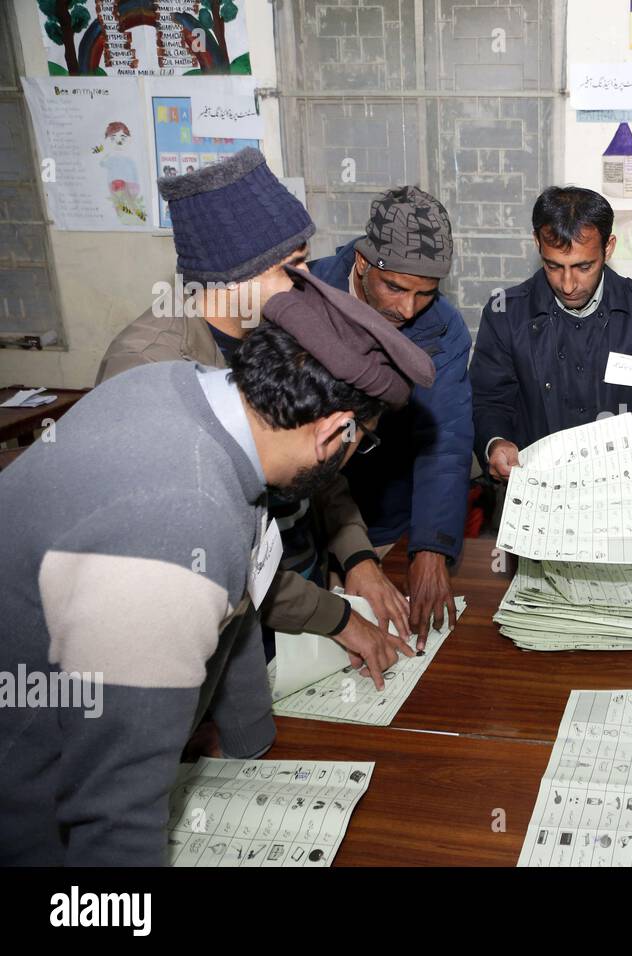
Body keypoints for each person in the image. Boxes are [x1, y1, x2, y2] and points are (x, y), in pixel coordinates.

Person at [0, 264, 435, 865]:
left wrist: (250, 748)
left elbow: (243, 589)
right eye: (363, 439)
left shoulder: (197, 399)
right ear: (336, 430)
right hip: (31, 795)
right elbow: (115, 812)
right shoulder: (181, 518)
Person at [98, 148, 412, 676]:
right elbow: (203, 559)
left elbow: (319, 456)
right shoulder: (149, 369)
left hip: (292, 583)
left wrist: (355, 555)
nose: (307, 278)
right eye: (293, 266)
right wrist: (334, 618)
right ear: (233, 275)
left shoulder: (282, 327)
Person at [311, 186, 473, 635]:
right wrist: (349, 556)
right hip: (305, 532)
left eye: (425, 293)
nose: (407, 309)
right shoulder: (304, 299)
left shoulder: (442, 329)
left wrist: (430, 549)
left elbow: (444, 442)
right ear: (363, 263)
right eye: (396, 287)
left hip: (390, 528)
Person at [471, 186, 632, 530]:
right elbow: (489, 400)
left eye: (583, 266)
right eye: (554, 266)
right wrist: (496, 442)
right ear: (538, 245)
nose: (568, 284)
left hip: (620, 502)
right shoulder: (506, 312)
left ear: (608, 248)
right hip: (535, 506)